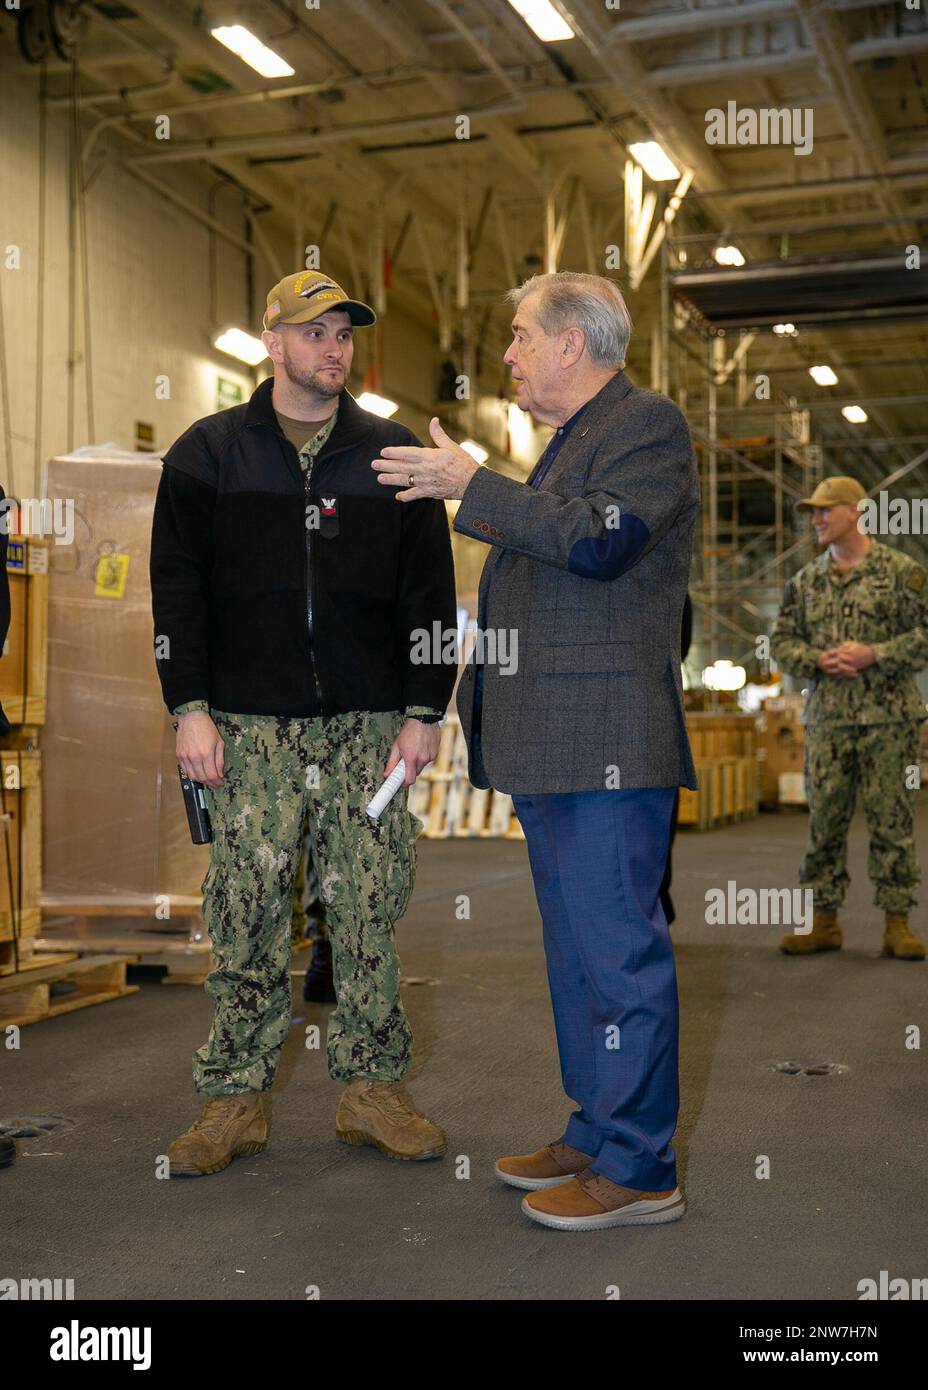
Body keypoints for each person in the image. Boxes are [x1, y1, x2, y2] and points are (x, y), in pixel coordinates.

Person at [373, 270, 698, 1231]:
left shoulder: (648, 426)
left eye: (519, 337)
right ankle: (597, 1129)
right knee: (577, 958)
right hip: (556, 743)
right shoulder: (567, 446)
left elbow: (601, 543)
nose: (506, 356)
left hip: (605, 740)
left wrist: (474, 487)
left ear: (572, 344)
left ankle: (641, 1168)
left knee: (618, 955)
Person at [150, 270, 457, 1176]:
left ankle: (371, 1091)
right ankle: (232, 1098)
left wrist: (421, 709)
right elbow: (178, 593)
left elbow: (427, 594)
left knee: (367, 911)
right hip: (248, 729)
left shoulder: (391, 454)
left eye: (345, 335)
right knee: (246, 909)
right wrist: (189, 708)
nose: (335, 350)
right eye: (316, 333)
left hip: (369, 729)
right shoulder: (207, 455)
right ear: (272, 343)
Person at [772, 475, 928, 960]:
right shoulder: (805, 582)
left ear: (856, 511)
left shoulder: (902, 573)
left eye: (824, 510)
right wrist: (817, 660)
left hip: (890, 721)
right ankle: (824, 922)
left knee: (892, 822)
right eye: (812, 512)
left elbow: (925, 635)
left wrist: (874, 653)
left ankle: (896, 924)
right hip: (829, 722)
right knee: (825, 823)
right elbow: (781, 643)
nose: (816, 519)